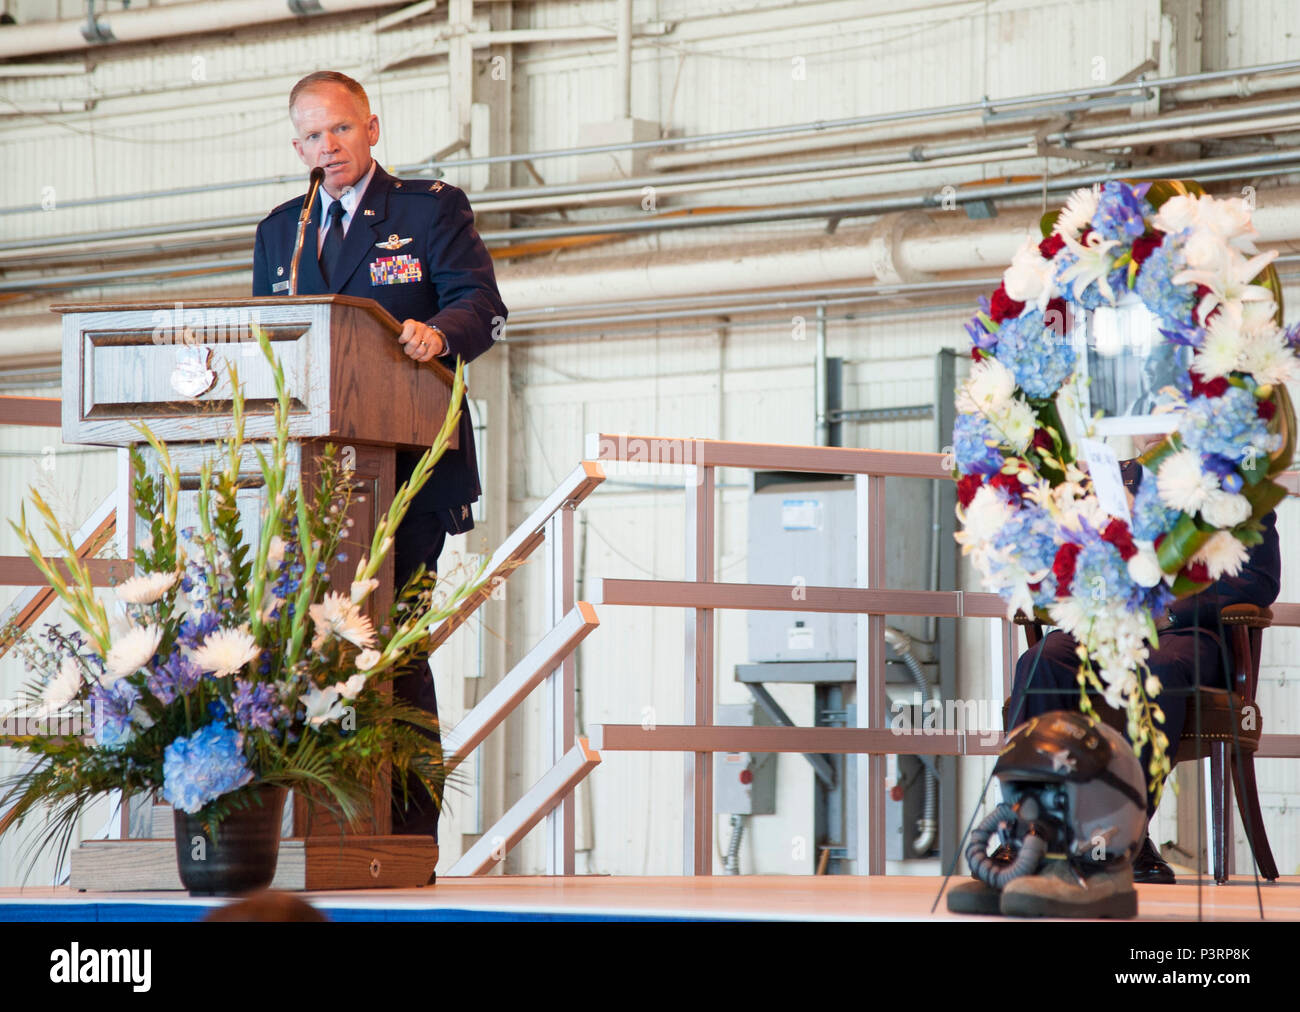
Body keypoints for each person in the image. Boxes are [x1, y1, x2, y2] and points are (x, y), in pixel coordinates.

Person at [252, 71, 507, 841]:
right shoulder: (279, 230)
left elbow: (482, 306)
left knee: (390, 643)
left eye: (339, 130)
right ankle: (323, 827)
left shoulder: (429, 209)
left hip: (404, 466)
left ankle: (406, 832)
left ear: (371, 128)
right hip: (309, 474)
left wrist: (439, 335)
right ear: (294, 144)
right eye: (310, 136)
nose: (325, 148)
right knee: (309, 646)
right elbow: (271, 340)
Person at [1007, 449, 1282, 884]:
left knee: (1158, 667)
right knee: (1044, 659)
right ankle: (1031, 827)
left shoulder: (1233, 474)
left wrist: (1171, 608)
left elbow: (1258, 581)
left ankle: (1118, 835)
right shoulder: (1114, 477)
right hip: (1112, 630)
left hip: (1189, 634)